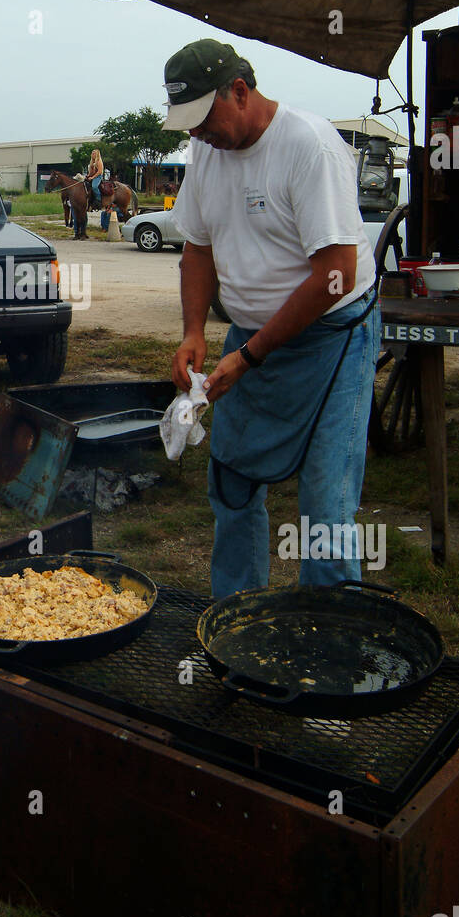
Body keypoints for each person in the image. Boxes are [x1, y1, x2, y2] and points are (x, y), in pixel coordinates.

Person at [164, 39, 380, 599]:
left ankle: (331, 641)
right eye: (187, 124)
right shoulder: (206, 153)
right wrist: (194, 331)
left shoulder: (309, 146)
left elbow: (335, 273)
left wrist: (252, 353)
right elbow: (198, 249)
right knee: (231, 479)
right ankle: (236, 619)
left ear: (240, 91)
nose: (196, 134)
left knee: (325, 502)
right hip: (252, 339)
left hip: (333, 336)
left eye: (202, 118)